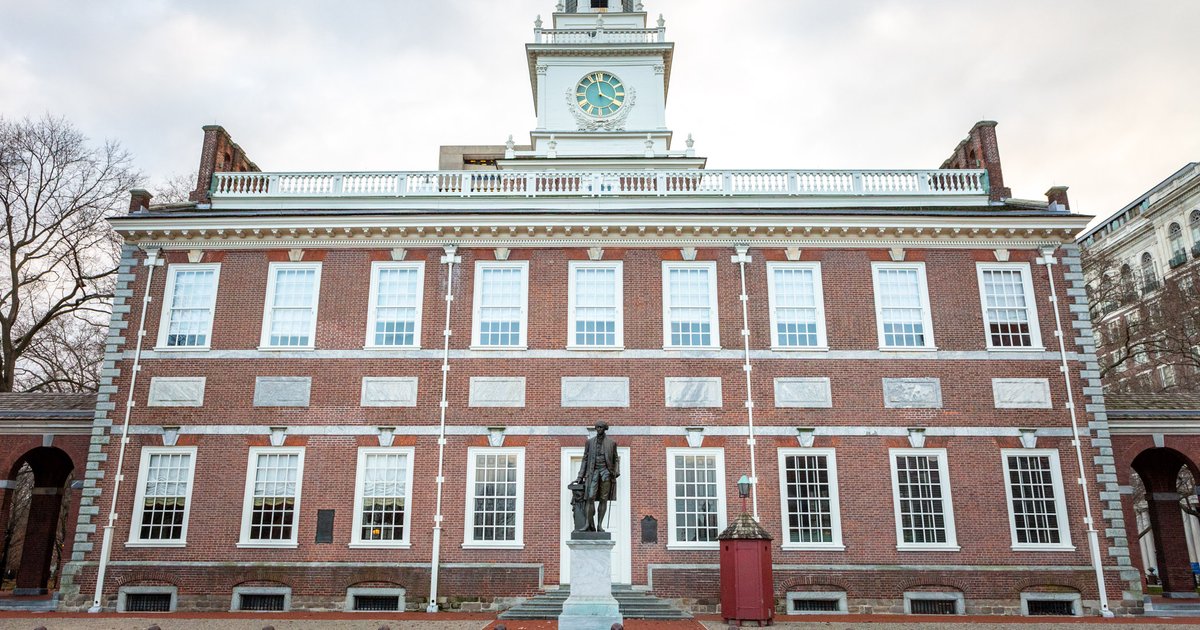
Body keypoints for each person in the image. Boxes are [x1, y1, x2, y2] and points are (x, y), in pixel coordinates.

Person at [575, 421, 619, 532]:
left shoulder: (611, 443)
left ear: (605, 428)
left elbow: (616, 459)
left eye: (600, 427)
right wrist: (580, 477)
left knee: (603, 499)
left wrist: (616, 472)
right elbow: (585, 459)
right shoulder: (589, 442)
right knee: (590, 497)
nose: (598, 429)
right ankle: (587, 524)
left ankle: (599, 525)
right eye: (597, 427)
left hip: (606, 473)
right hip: (593, 472)